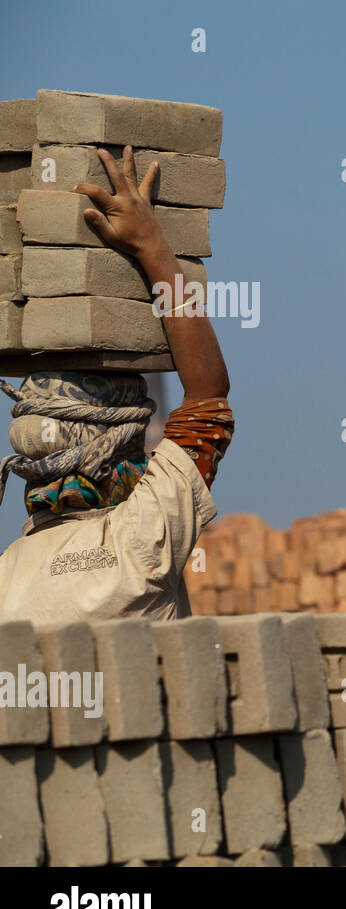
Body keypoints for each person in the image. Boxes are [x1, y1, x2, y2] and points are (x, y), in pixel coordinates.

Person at [0, 147, 233, 625]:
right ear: (121, 449)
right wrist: (151, 246)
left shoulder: (8, 573)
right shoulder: (142, 538)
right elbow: (206, 399)